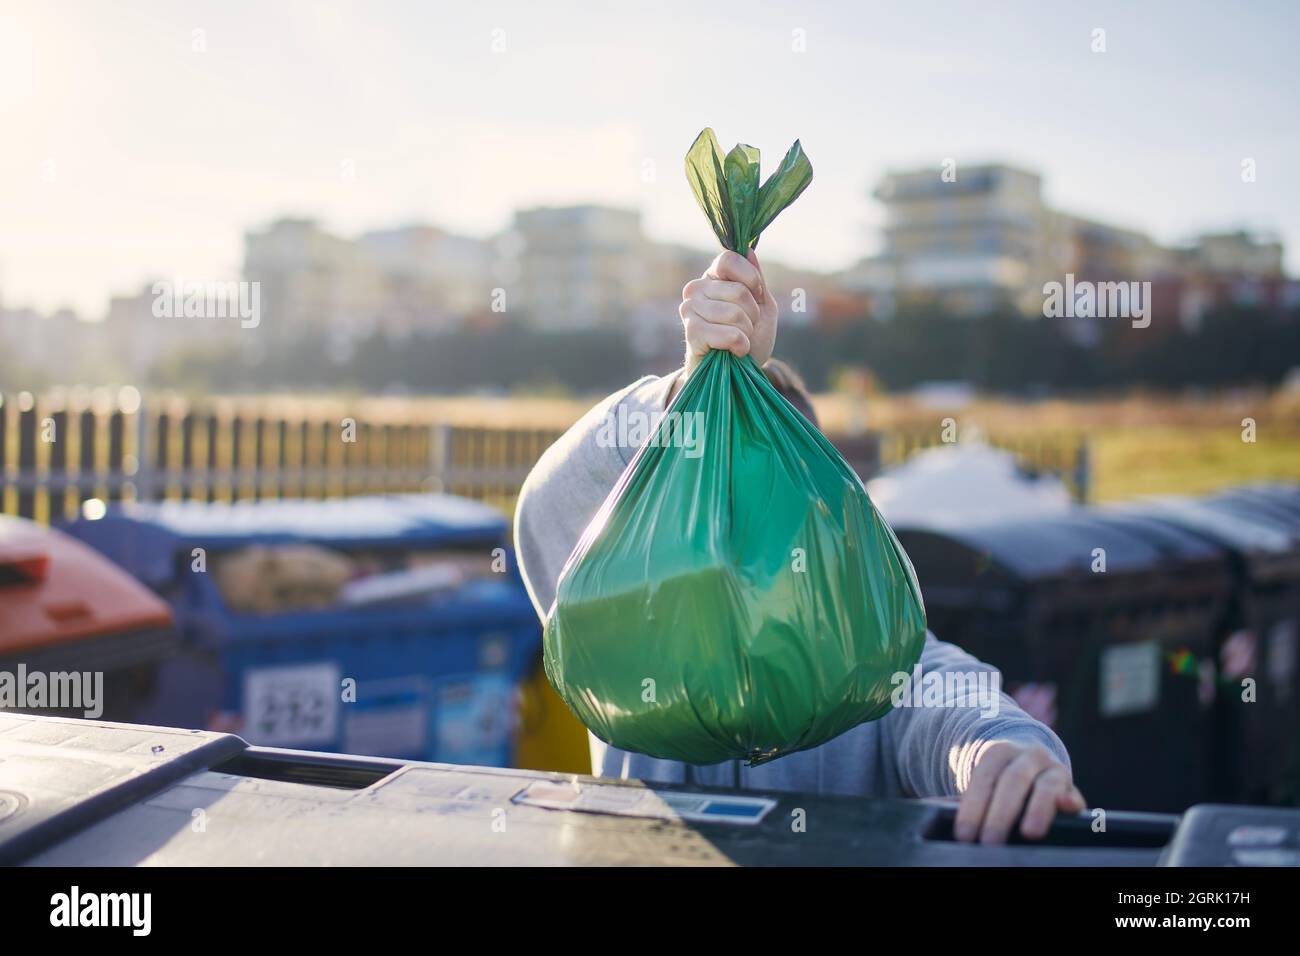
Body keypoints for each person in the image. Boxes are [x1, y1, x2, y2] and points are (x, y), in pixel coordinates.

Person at [514, 249, 1085, 845]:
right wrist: (686, 393)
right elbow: (545, 509)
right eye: (730, 493)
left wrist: (1008, 753)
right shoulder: (630, 634)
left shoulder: (875, 657)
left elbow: (956, 707)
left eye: (784, 507)